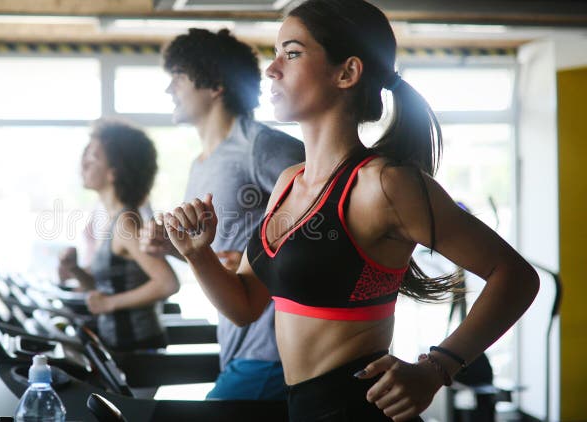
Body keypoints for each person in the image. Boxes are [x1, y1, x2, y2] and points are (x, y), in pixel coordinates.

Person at [161, 1, 539, 420]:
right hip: (298, 408)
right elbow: (246, 305)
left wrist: (438, 367)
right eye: (274, 54)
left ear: (347, 73)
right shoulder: (288, 182)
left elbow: (516, 276)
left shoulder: (384, 184)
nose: (271, 69)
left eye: (292, 53)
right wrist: (197, 254)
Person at [140, 28, 305, 400]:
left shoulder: (262, 146)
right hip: (235, 344)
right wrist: (173, 247)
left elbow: (332, 222)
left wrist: (258, 262)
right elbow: (219, 257)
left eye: (178, 79)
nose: (170, 91)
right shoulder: (201, 163)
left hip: (274, 351)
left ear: (215, 84)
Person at [58, 119, 179, 352]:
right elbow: (106, 287)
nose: (83, 164)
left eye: (93, 157)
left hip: (138, 352)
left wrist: (109, 304)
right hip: (120, 346)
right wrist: (74, 269)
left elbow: (167, 283)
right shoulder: (116, 220)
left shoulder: (126, 222)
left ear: (113, 172)